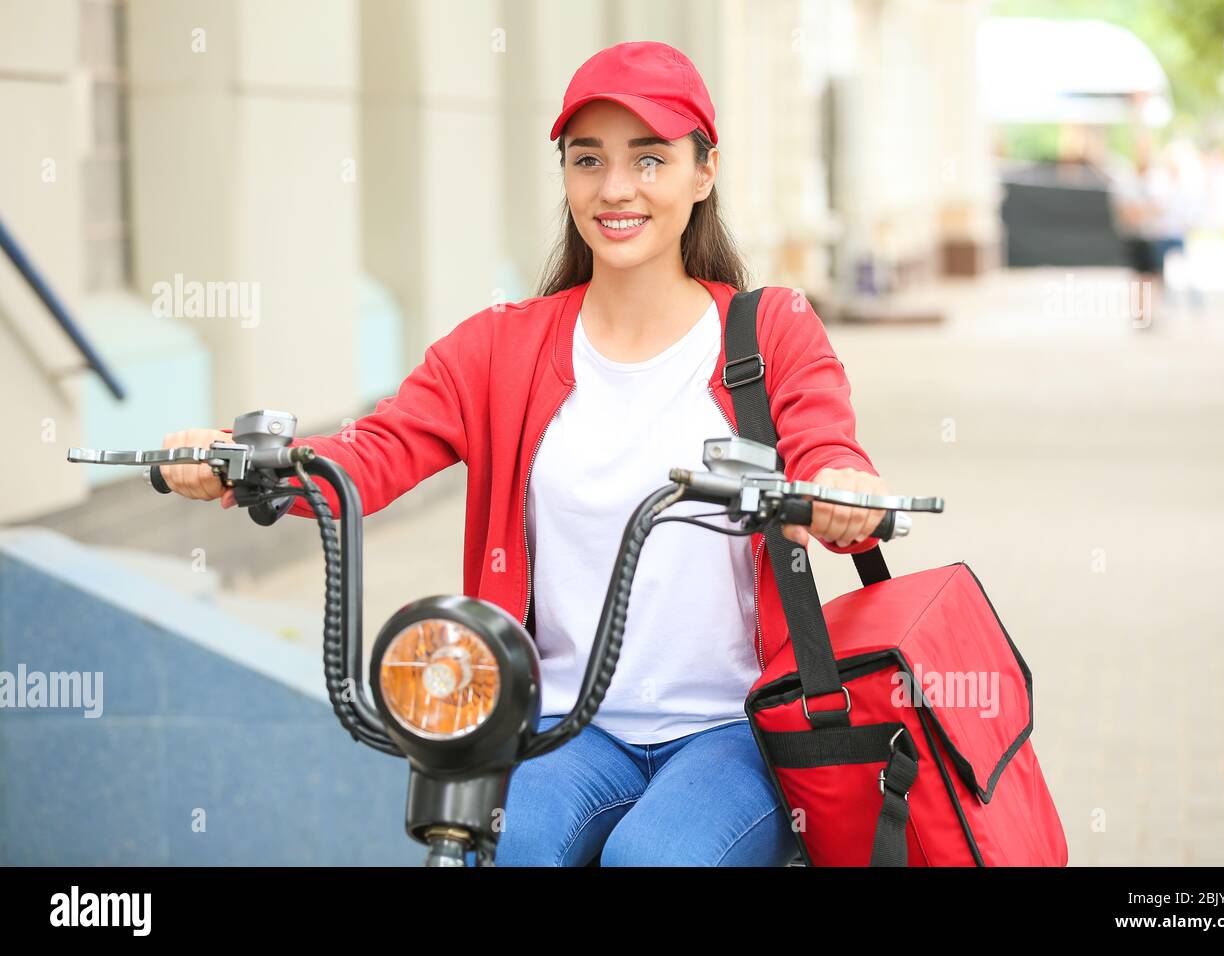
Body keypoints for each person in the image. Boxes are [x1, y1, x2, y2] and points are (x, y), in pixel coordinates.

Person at [157, 40, 889, 867]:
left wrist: (842, 489)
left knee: (655, 859)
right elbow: (371, 452)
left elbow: (830, 450)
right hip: (564, 722)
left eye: (650, 159)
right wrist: (239, 458)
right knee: (502, 843)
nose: (615, 189)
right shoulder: (502, 347)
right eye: (589, 161)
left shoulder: (771, 329)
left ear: (703, 171)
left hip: (731, 727)